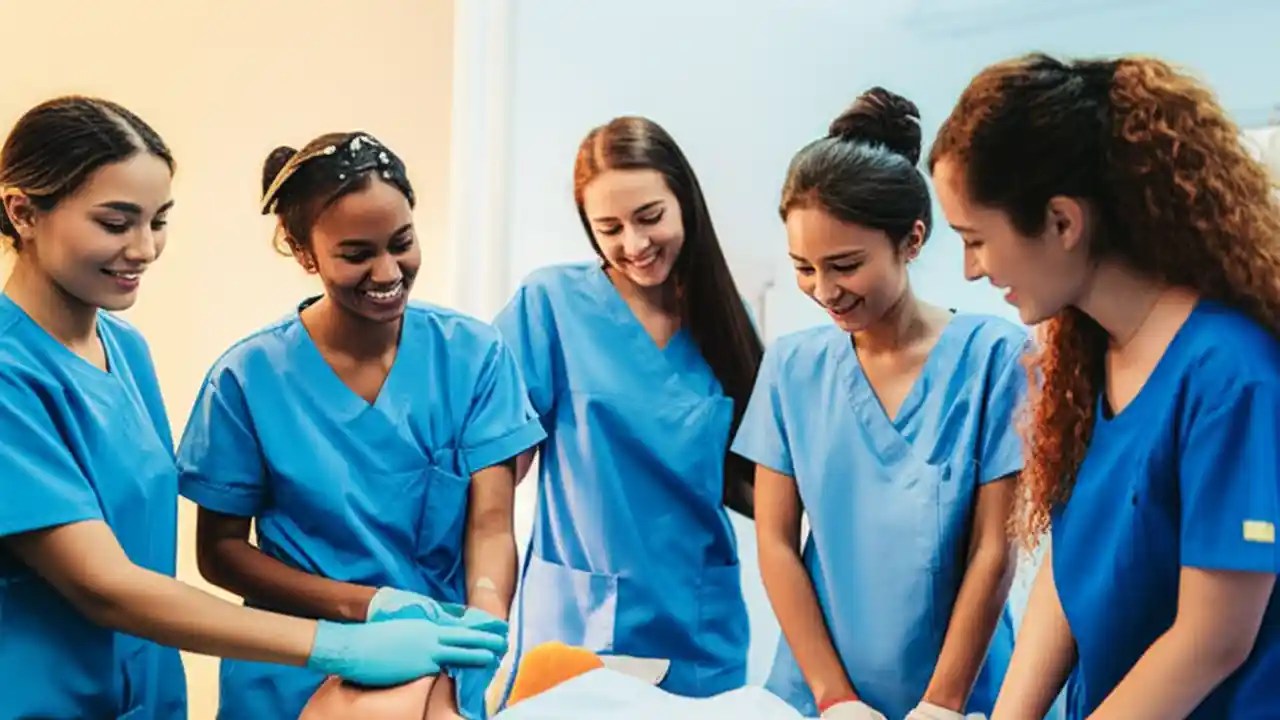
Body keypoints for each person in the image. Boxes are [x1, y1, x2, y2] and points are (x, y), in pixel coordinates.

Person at [0, 97, 506, 720]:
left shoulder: (122, 349)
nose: (144, 249)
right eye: (115, 222)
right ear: (22, 211)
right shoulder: (9, 376)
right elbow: (105, 586)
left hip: (146, 700)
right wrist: (343, 640)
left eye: (158, 221)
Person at [928, 53, 1280, 719]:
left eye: (976, 240)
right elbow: (1072, 572)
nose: (971, 270)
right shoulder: (1086, 357)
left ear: (1062, 222)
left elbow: (1212, 640)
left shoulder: (1231, 376)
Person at [176, 130, 545, 719]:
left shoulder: (474, 356)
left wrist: (481, 619)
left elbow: (492, 524)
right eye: (356, 254)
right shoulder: (248, 378)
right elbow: (220, 552)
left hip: (434, 662)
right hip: (296, 669)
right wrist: (366, 608)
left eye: (401, 242)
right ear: (304, 253)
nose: (387, 270)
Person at [731, 88, 1025, 720]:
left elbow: (994, 550)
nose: (824, 290)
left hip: (964, 693)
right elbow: (777, 543)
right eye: (804, 268)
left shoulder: (996, 357)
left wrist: (942, 706)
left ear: (912, 240)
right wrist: (834, 698)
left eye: (845, 264)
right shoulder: (792, 367)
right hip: (818, 689)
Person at [491, 116, 764, 700]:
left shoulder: (725, 318)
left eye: (650, 218)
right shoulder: (551, 304)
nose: (634, 245)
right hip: (576, 624)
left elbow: (754, 480)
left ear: (684, 201)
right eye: (609, 227)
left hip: (697, 622)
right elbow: (494, 466)